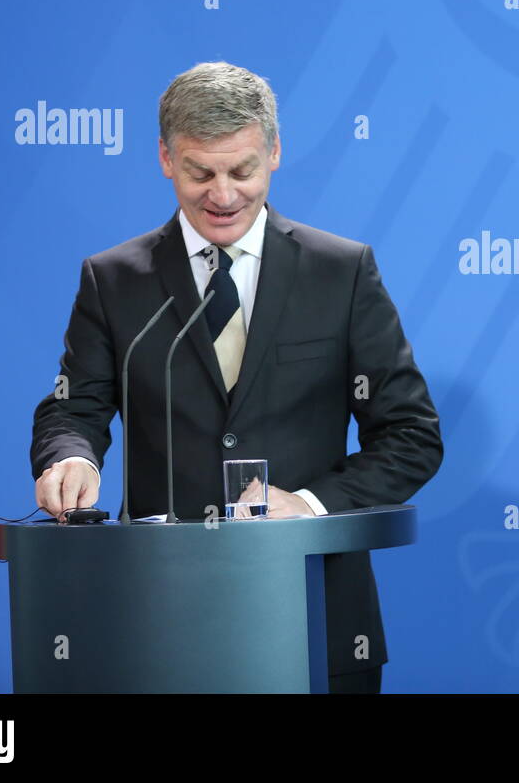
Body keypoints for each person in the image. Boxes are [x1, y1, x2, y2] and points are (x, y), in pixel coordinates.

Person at [30, 62, 443, 694]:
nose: (223, 195)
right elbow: (72, 409)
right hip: (157, 622)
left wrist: (305, 507)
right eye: (200, 172)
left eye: (242, 170)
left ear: (275, 152)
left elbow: (412, 435)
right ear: (165, 158)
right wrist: (73, 457)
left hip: (317, 619)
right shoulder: (113, 281)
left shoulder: (341, 273)